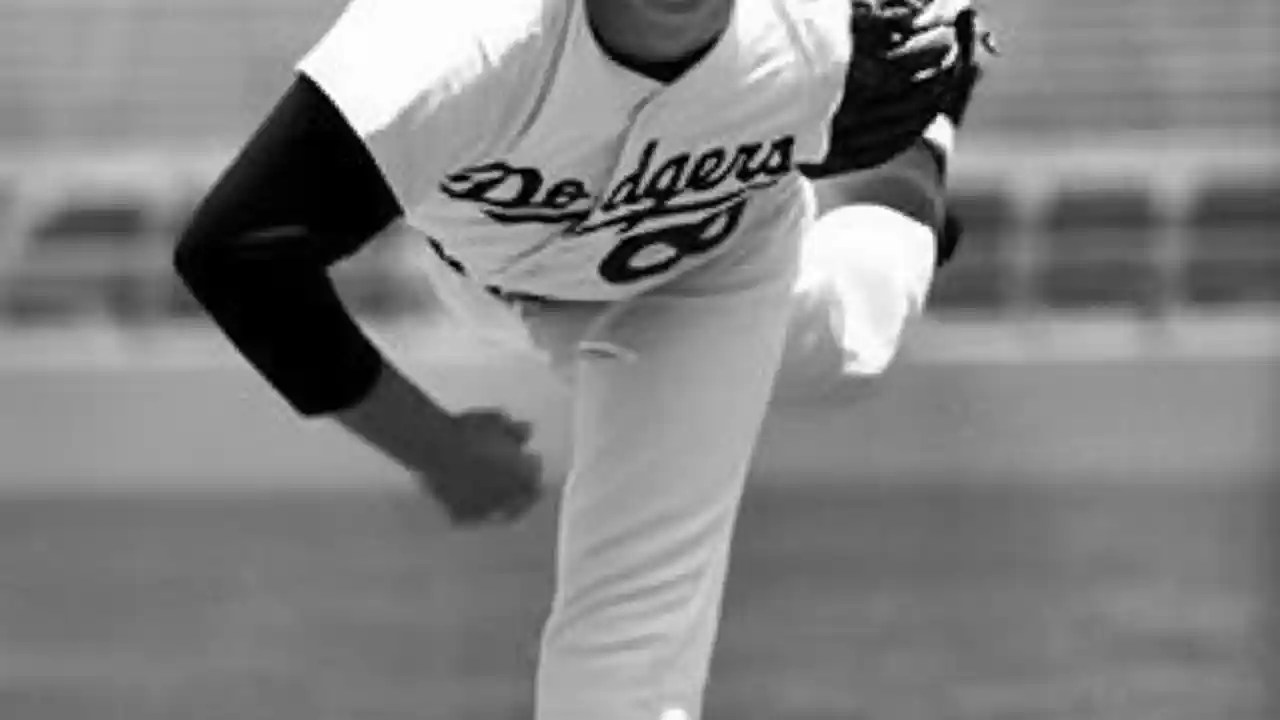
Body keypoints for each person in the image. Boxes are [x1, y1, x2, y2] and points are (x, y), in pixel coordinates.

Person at [173, 1, 991, 718]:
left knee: (630, 641)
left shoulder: (820, 30)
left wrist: (929, 81)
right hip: (499, 281)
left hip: (712, 270)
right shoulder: (457, 35)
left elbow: (927, 41)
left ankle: (912, 166)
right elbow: (241, 250)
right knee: (841, 340)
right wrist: (437, 447)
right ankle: (901, 177)